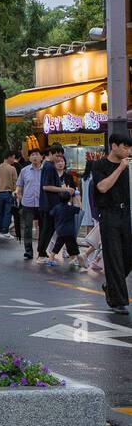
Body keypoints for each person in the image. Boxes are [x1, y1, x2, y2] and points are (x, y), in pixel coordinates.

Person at [90, 133, 132, 314]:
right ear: (114, 146)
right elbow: (102, 187)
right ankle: (118, 301)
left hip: (126, 214)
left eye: (129, 148)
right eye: (125, 147)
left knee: (128, 256)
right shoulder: (99, 165)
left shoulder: (128, 166)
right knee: (113, 256)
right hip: (108, 214)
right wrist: (120, 169)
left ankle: (112, 286)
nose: (128, 151)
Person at [15, 147, 45, 260]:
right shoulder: (24, 170)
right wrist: (17, 192)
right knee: (27, 228)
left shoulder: (46, 170)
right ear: (29, 157)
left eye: (37, 154)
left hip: (42, 203)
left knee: (43, 228)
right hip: (28, 203)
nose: (35, 157)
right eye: (32, 155)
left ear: (41, 157)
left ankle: (41, 250)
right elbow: (19, 184)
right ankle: (28, 251)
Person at [0, 151, 17, 238]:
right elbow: (15, 182)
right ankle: (5, 231)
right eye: (13, 157)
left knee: (1, 213)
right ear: (9, 157)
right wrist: (16, 192)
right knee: (7, 213)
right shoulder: (12, 168)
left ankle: (1, 231)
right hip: (8, 192)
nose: (14, 160)